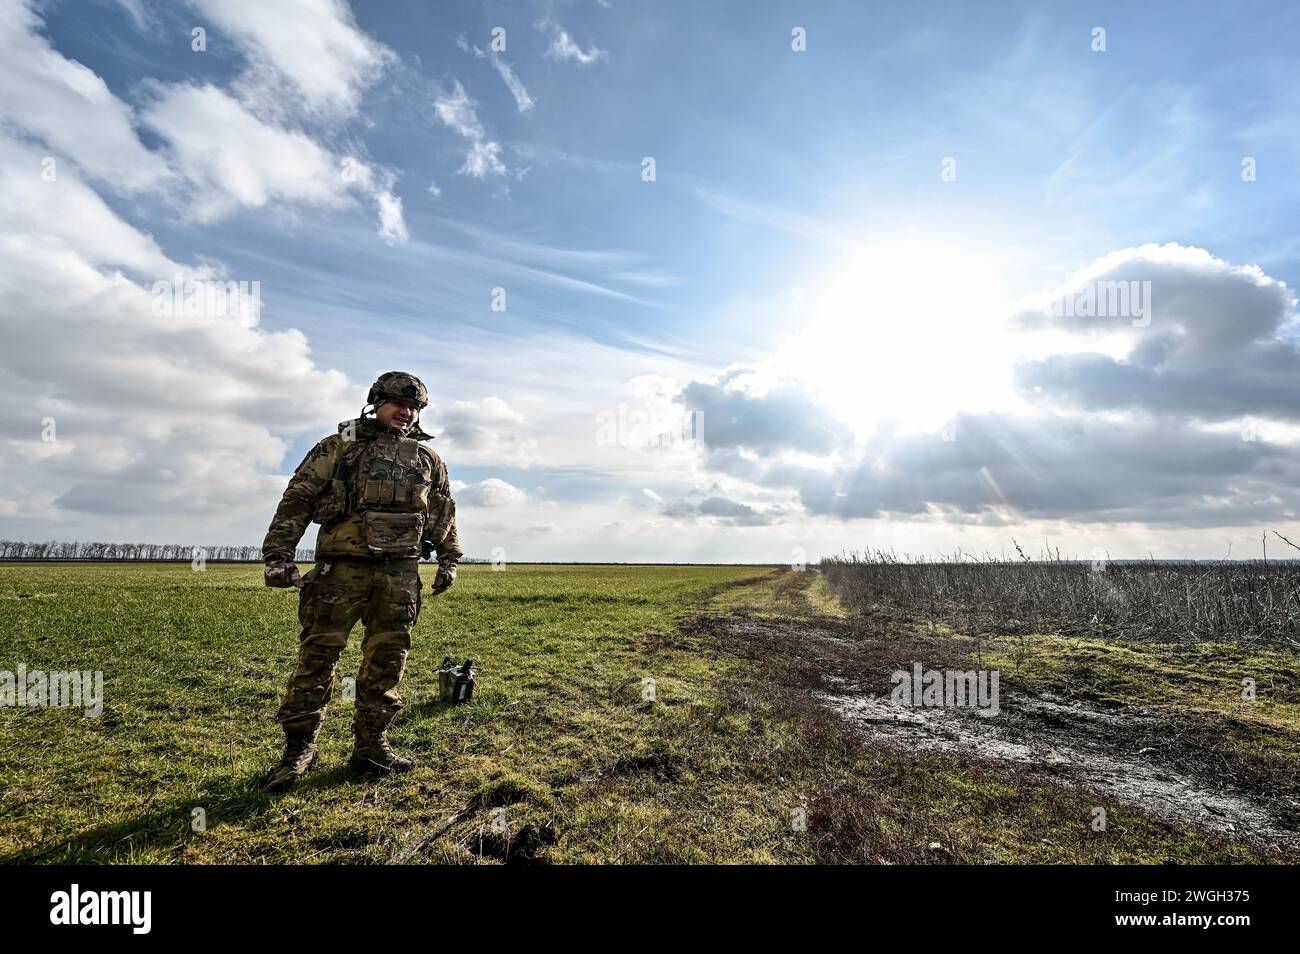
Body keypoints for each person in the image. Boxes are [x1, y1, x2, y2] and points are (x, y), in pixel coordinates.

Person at [260, 372, 462, 792]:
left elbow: (444, 512)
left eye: (414, 408)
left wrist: (449, 559)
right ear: (375, 402)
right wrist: (278, 556)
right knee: (317, 657)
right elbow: (296, 499)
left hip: (400, 574)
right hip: (340, 570)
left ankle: (372, 744)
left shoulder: (427, 459)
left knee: (388, 659)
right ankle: (299, 749)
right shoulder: (339, 446)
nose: (405, 413)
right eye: (397, 404)